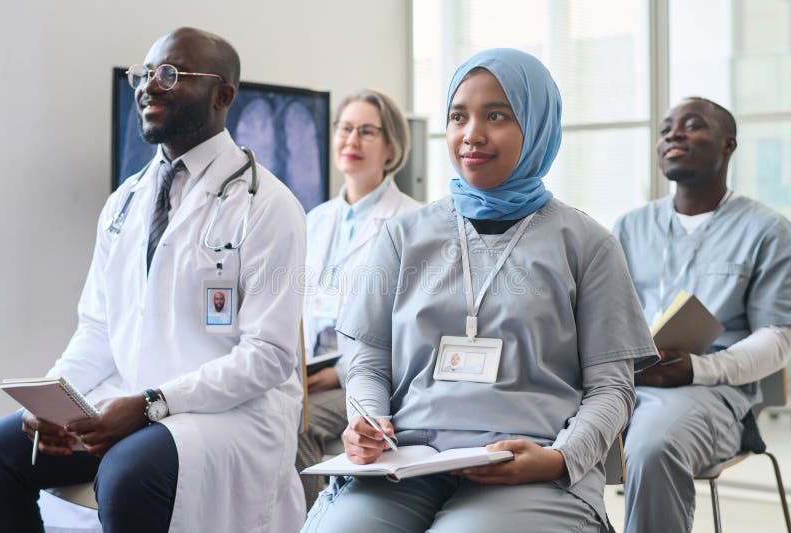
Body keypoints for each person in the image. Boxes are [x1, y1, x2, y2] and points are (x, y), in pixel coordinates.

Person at [302, 48, 658, 533]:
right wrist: (368, 422)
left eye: (497, 116)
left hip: (530, 467)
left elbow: (612, 388)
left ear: (536, 126)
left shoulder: (587, 244)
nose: (472, 134)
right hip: (407, 461)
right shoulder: (403, 237)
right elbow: (367, 362)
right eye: (458, 116)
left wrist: (559, 459)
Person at [0, 27, 307, 532]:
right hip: (133, 403)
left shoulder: (269, 206)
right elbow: (97, 327)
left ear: (223, 95)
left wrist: (153, 404)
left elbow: (268, 357)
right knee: (0, 450)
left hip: (230, 418)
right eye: (144, 74)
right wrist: (54, 398)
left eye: (170, 74)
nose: (147, 86)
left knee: (125, 474)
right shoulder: (124, 202)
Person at [613, 97, 791, 533]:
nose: (673, 134)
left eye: (692, 126)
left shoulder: (767, 230)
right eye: (666, 128)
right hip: (622, 384)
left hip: (711, 394)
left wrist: (699, 369)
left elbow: (779, 338)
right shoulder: (629, 228)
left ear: (728, 144)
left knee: (654, 445)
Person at [297, 89, 421, 508]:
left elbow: (409, 328)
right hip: (306, 371)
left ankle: (316, 520)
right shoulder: (315, 220)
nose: (352, 140)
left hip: (364, 376)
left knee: (295, 423)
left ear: (391, 147)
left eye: (366, 131)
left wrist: (338, 371)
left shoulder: (411, 222)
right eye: (345, 129)